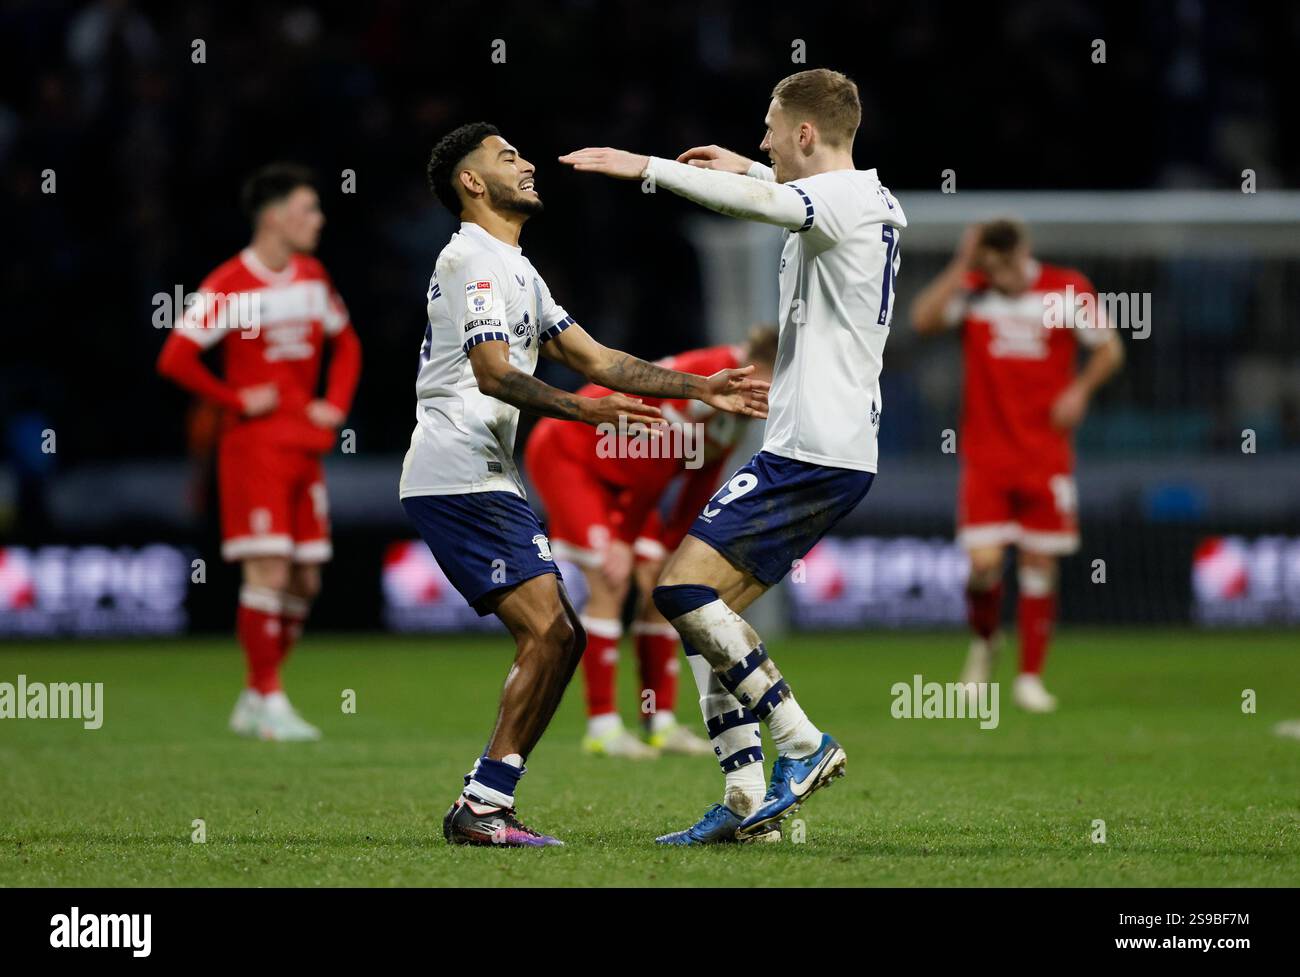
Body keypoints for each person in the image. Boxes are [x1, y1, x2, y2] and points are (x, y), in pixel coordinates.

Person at [560, 67, 905, 843]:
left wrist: (650, 169)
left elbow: (770, 203)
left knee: (679, 591)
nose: (763, 139)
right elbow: (778, 192)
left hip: (812, 445)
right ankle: (748, 801)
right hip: (833, 444)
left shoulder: (836, 202)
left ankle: (803, 742)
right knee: (708, 616)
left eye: (770, 128)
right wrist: (748, 166)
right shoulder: (872, 200)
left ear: (805, 134)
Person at [407, 122, 769, 847]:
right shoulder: (470, 260)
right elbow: (492, 372)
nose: (527, 162)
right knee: (550, 631)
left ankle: (485, 802)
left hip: (481, 472)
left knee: (557, 633)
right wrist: (583, 410)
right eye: (508, 157)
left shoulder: (518, 268)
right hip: (458, 471)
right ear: (471, 183)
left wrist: (699, 387)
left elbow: (600, 358)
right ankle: (482, 806)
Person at [157, 163, 361, 741]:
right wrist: (235, 398)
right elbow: (175, 357)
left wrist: (335, 405)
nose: (319, 220)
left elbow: (346, 344)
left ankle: (256, 694)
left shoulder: (311, 276)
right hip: (254, 450)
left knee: (306, 581)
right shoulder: (229, 284)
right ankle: (268, 698)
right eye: (308, 209)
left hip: (305, 448)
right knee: (268, 569)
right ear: (274, 217)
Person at [525, 328, 778, 759]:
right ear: (765, 368)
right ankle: (602, 725)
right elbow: (655, 455)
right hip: (573, 457)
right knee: (611, 582)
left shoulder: (739, 398)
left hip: (629, 481)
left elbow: (701, 472)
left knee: (663, 585)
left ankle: (657, 720)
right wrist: (624, 539)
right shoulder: (709, 378)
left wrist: (680, 542)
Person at [910, 219, 1124, 711]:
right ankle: (986, 641)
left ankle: (1029, 677)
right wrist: (962, 263)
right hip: (986, 455)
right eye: (990, 263)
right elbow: (922, 321)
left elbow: (1110, 348)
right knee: (983, 569)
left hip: (1045, 453)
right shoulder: (974, 289)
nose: (1001, 273)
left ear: (1022, 252)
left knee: (1038, 563)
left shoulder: (1066, 288)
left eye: (1005, 262)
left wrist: (1079, 390)